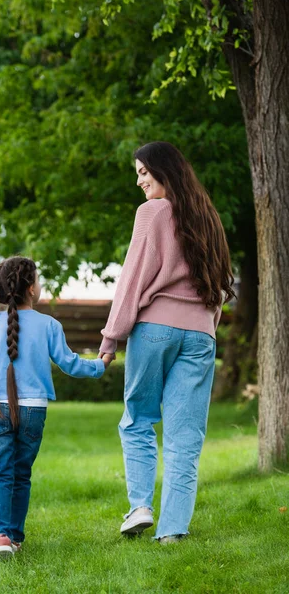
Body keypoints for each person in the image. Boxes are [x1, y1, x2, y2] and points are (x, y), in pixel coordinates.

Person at [98, 141, 235, 544]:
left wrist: (111, 336)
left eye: (144, 172)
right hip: (200, 336)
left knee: (138, 418)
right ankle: (172, 530)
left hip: (154, 329)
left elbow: (132, 278)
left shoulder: (152, 212)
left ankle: (141, 507)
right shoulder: (208, 217)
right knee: (185, 435)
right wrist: (207, 323)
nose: (139, 181)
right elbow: (223, 284)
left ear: (164, 171)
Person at [0, 256, 115, 561]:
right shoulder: (49, 325)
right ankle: (16, 537)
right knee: (21, 474)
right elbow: (69, 363)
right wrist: (100, 366)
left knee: (0, 475)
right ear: (32, 289)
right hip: (34, 410)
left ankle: (1, 537)